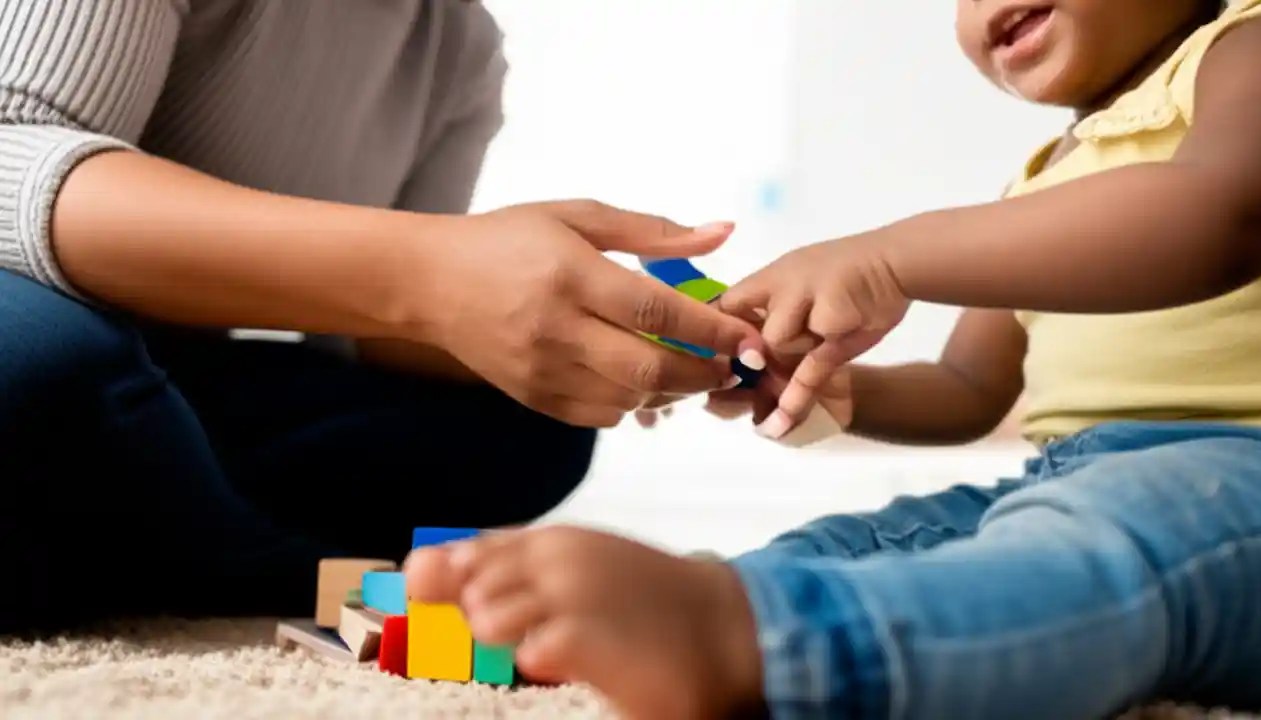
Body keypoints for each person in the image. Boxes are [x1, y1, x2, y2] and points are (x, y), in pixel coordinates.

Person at [404, 1, 1261, 718]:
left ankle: (763, 645)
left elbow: (1220, 212)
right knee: (856, 545)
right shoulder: (1043, 179)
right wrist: (845, 392)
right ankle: (704, 615)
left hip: (1254, 478)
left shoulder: (1253, 43)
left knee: (1099, 550)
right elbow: (969, 389)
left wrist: (888, 256)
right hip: (1069, 476)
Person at [0, 1, 766, 634]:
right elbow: (13, 148)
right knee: (53, 366)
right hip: (53, 338)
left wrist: (601, 331)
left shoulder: (457, 45)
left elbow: (374, 326)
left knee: (535, 427)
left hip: (167, 384)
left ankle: (124, 538)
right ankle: (264, 566)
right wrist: (430, 268)